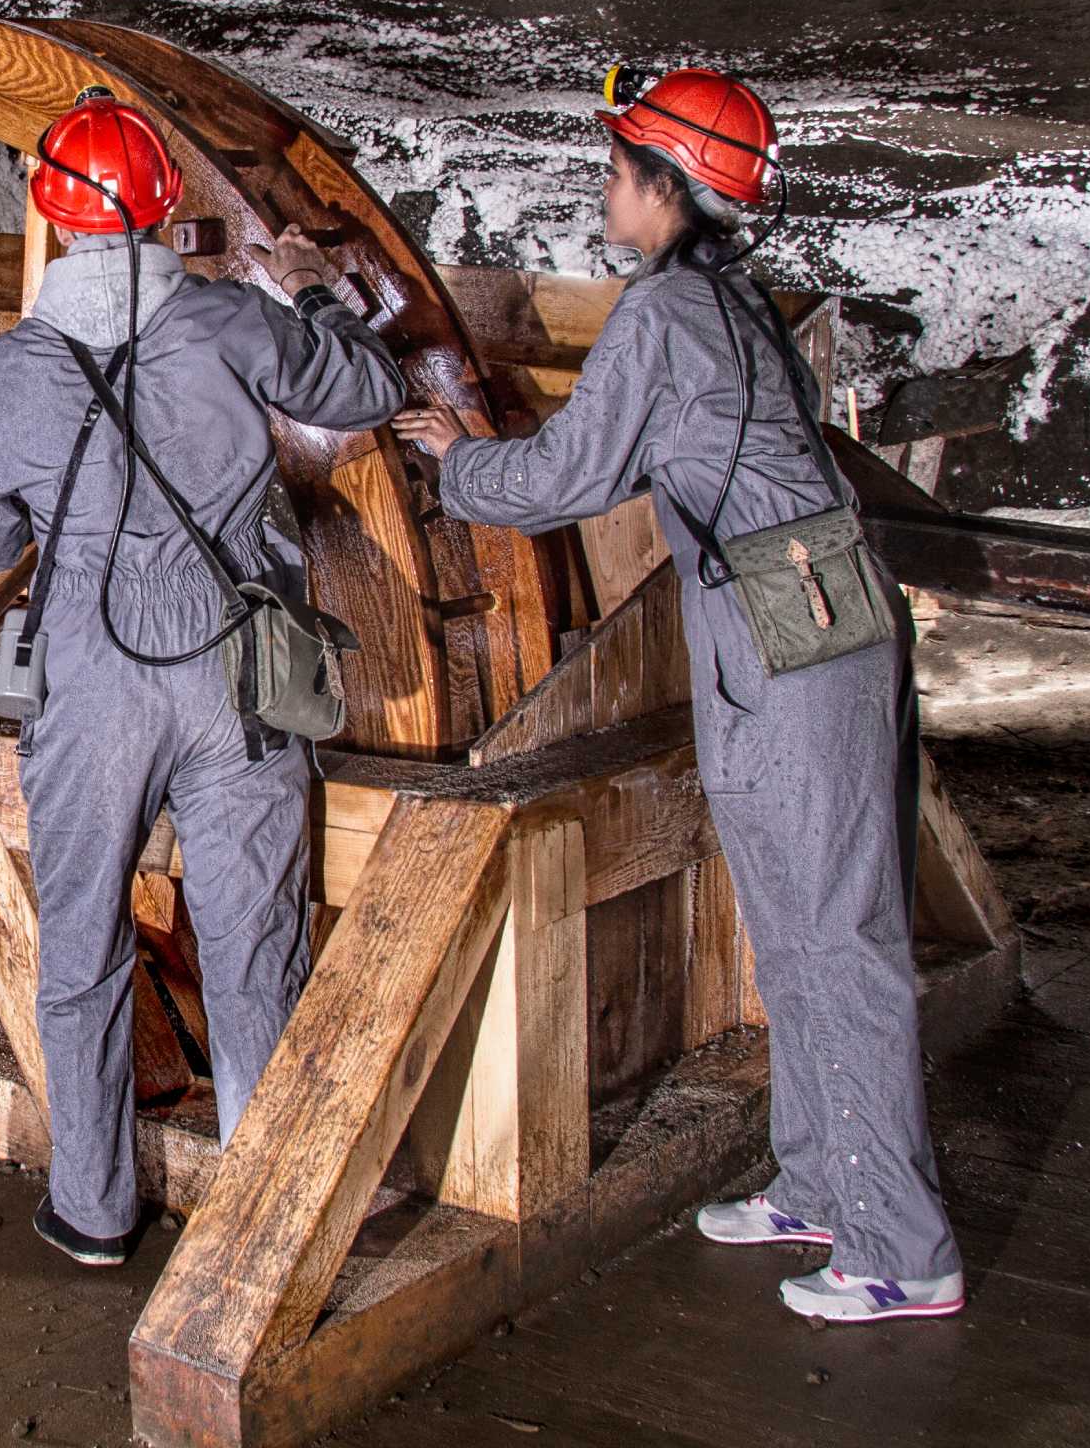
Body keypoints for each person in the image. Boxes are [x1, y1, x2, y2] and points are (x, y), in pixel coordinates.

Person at [389, 67, 963, 1325]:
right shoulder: (731, 296)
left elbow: (565, 476)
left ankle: (902, 1246)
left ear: (666, 188)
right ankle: (822, 1178)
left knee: (836, 937)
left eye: (618, 168)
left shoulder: (660, 315)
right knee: (794, 919)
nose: (606, 186)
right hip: (799, 618)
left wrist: (457, 462)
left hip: (791, 637)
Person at [0, 98, 406, 1266]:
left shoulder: (8, 375)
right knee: (254, 940)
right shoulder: (229, 320)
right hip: (236, 664)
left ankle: (95, 1207)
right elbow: (368, 392)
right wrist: (304, 286)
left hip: (93, 677)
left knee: (84, 942)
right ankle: (261, 1208)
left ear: (49, 213)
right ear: (160, 209)